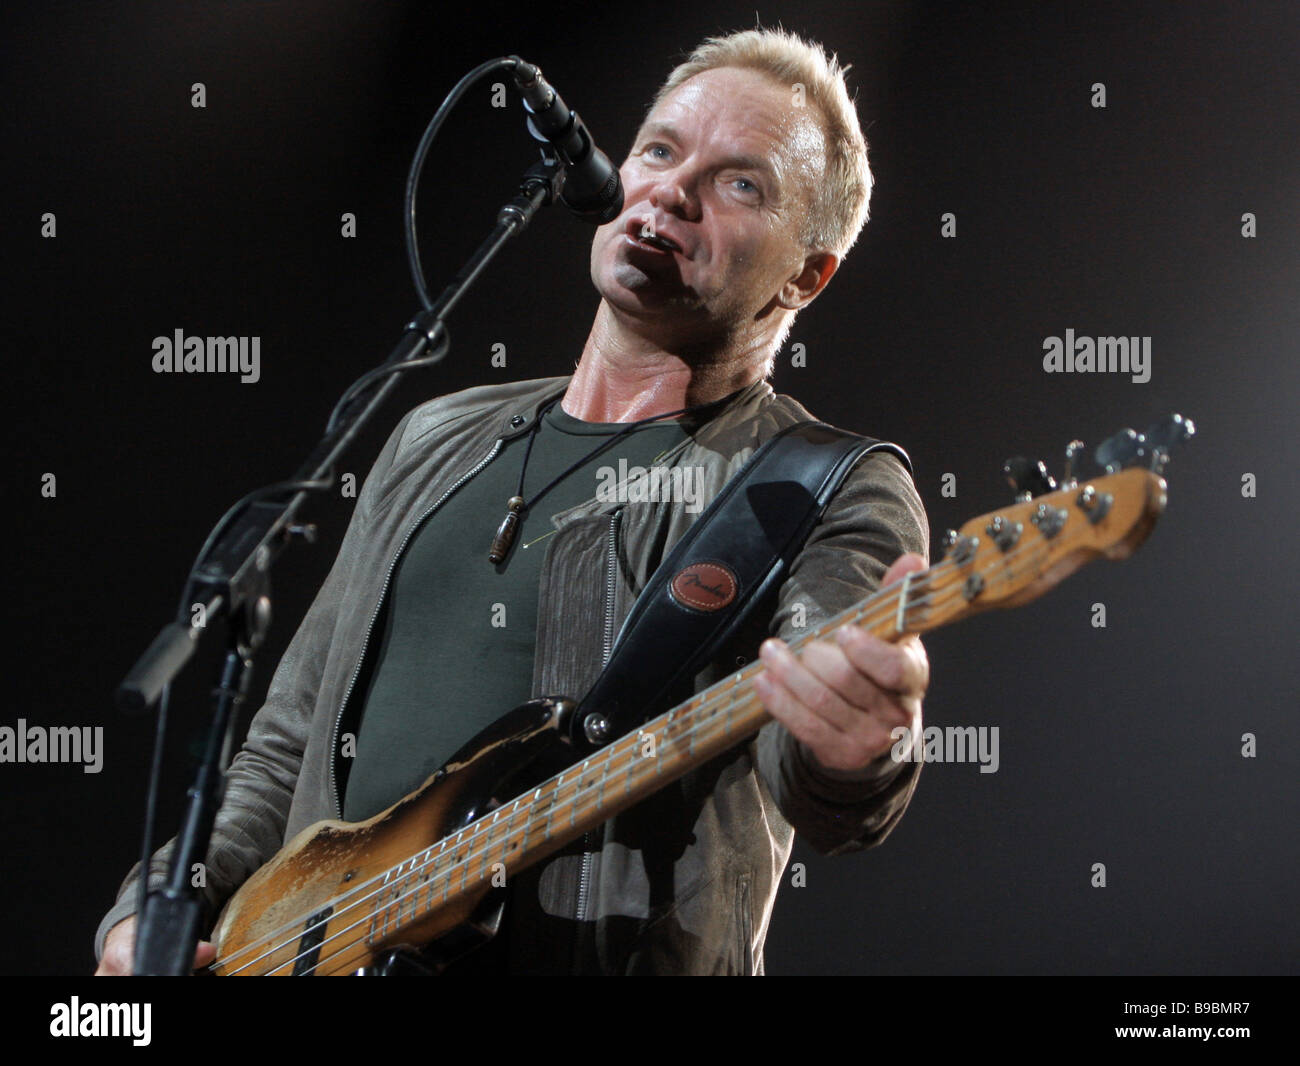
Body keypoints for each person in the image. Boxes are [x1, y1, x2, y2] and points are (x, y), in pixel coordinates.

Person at [95, 26, 931, 976]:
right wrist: (159, 911)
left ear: (805, 275)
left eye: (741, 184)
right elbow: (286, 745)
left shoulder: (819, 484)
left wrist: (865, 747)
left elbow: (817, 769)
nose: (671, 189)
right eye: (659, 150)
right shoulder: (435, 434)